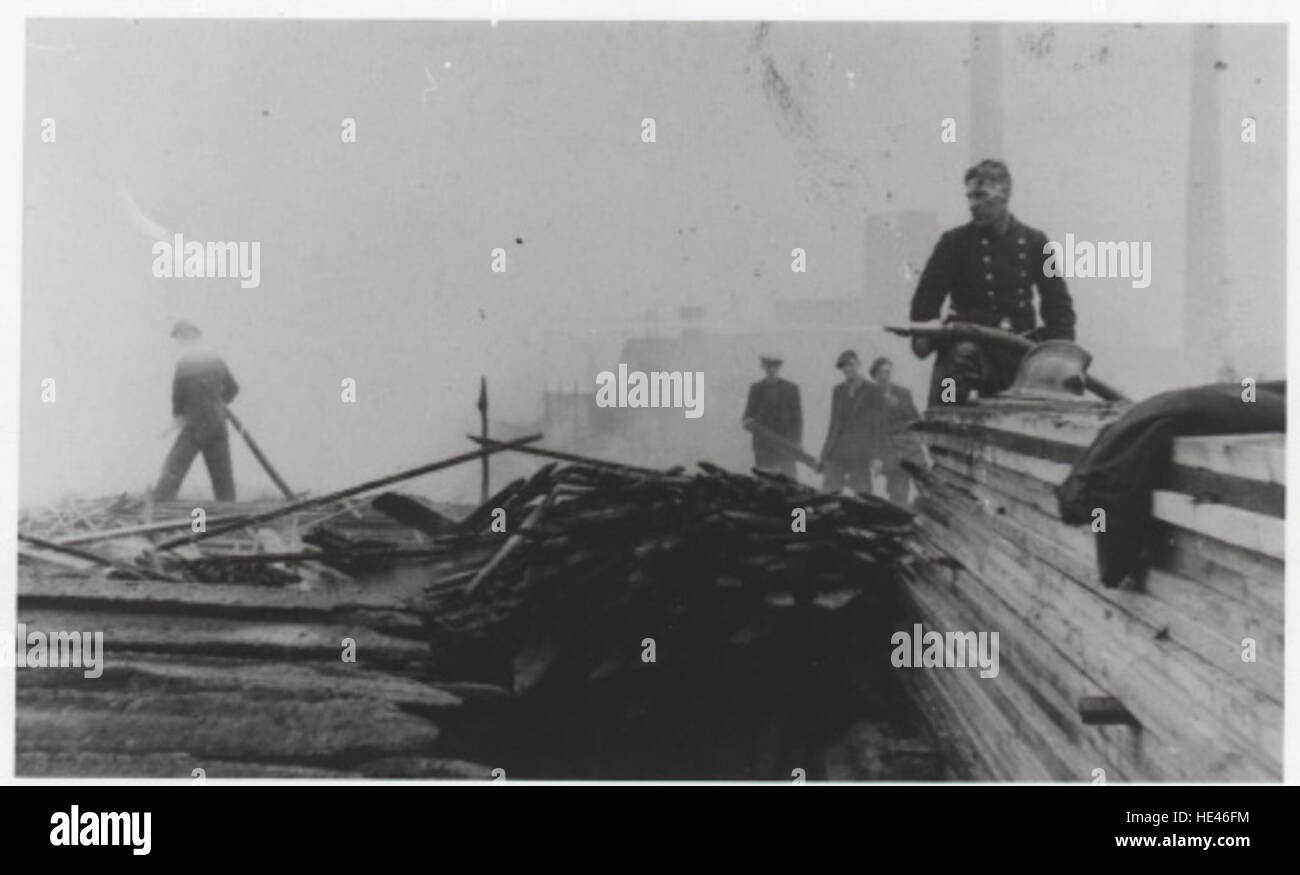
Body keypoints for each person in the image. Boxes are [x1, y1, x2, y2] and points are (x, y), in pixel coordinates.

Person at [909, 159, 1077, 406]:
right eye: (970, 198)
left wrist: (1060, 354)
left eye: (981, 196)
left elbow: (1058, 304)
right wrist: (924, 336)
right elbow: (925, 302)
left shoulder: (1037, 243)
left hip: (1019, 352)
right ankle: (941, 427)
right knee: (952, 380)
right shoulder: (954, 243)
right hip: (968, 350)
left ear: (1005, 194)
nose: (973, 205)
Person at [153, 320, 239, 502]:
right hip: (217, 425)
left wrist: (178, 417)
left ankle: (158, 508)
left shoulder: (185, 364)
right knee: (222, 477)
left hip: (195, 426)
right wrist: (217, 404)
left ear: (187, 339)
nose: (178, 344)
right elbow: (233, 389)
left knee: (173, 470)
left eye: (180, 340)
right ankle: (229, 514)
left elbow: (178, 397)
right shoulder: (216, 361)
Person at [819, 350, 882, 493]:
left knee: (864, 496)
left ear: (858, 364)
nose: (847, 369)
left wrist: (877, 456)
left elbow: (878, 426)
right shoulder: (838, 390)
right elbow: (833, 424)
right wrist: (824, 455)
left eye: (850, 365)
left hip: (860, 454)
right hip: (838, 451)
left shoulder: (873, 390)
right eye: (843, 367)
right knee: (828, 493)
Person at [868, 356, 922, 505]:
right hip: (889, 452)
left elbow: (915, 420)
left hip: (909, 450)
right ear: (875, 375)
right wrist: (875, 456)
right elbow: (871, 431)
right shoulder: (870, 397)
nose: (885, 375)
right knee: (896, 492)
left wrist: (898, 405)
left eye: (888, 371)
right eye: (881, 372)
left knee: (924, 487)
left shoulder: (903, 393)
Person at [742, 353, 803, 479]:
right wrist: (748, 422)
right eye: (768, 366)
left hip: (786, 446)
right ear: (763, 367)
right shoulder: (756, 389)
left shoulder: (791, 389)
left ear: (779, 367)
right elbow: (747, 416)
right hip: (764, 447)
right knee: (765, 484)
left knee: (790, 483)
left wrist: (797, 441)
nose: (771, 369)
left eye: (775, 366)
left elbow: (797, 419)